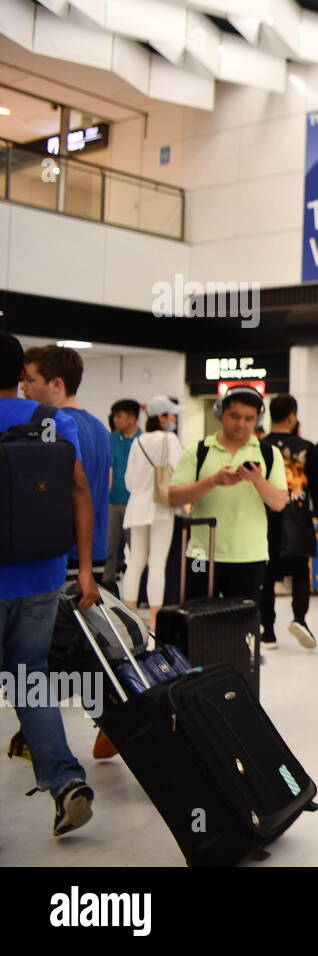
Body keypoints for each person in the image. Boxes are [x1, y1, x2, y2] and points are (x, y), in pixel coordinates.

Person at [0, 332, 98, 835]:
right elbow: (80, 491)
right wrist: (83, 569)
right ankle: (65, 783)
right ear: (19, 375)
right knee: (30, 678)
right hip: (42, 574)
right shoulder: (50, 422)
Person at [167, 387, 288, 605]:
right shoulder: (197, 451)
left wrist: (258, 480)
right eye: (234, 416)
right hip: (201, 555)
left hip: (250, 556)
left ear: (258, 420)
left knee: (242, 629)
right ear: (221, 413)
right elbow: (174, 497)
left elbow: (279, 503)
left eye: (249, 418)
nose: (241, 424)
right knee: (198, 621)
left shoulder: (269, 454)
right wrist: (213, 481)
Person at [22, 346, 110, 583]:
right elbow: (106, 485)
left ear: (56, 385)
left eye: (31, 380)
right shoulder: (101, 429)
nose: (24, 388)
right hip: (96, 551)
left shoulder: (55, 427)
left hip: (66, 554)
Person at [259, 395, 318, 650]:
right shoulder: (307, 448)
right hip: (298, 518)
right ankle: (299, 618)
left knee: (267, 576)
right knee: (300, 572)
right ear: (291, 416)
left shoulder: (260, 446)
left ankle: (268, 631)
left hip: (266, 519)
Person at [121, 397, 183, 631]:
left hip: (137, 506)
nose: (174, 419)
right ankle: (155, 617)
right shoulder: (169, 439)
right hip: (161, 507)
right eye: (171, 415)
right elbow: (179, 471)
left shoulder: (138, 442)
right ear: (161, 417)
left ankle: (130, 616)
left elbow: (129, 481)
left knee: (135, 562)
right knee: (157, 563)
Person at [105, 398, 141, 587]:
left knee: (137, 549)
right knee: (109, 548)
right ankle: (107, 586)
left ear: (132, 418)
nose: (115, 420)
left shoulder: (144, 440)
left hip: (136, 503)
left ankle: (138, 590)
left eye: (119, 416)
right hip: (112, 501)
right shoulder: (110, 439)